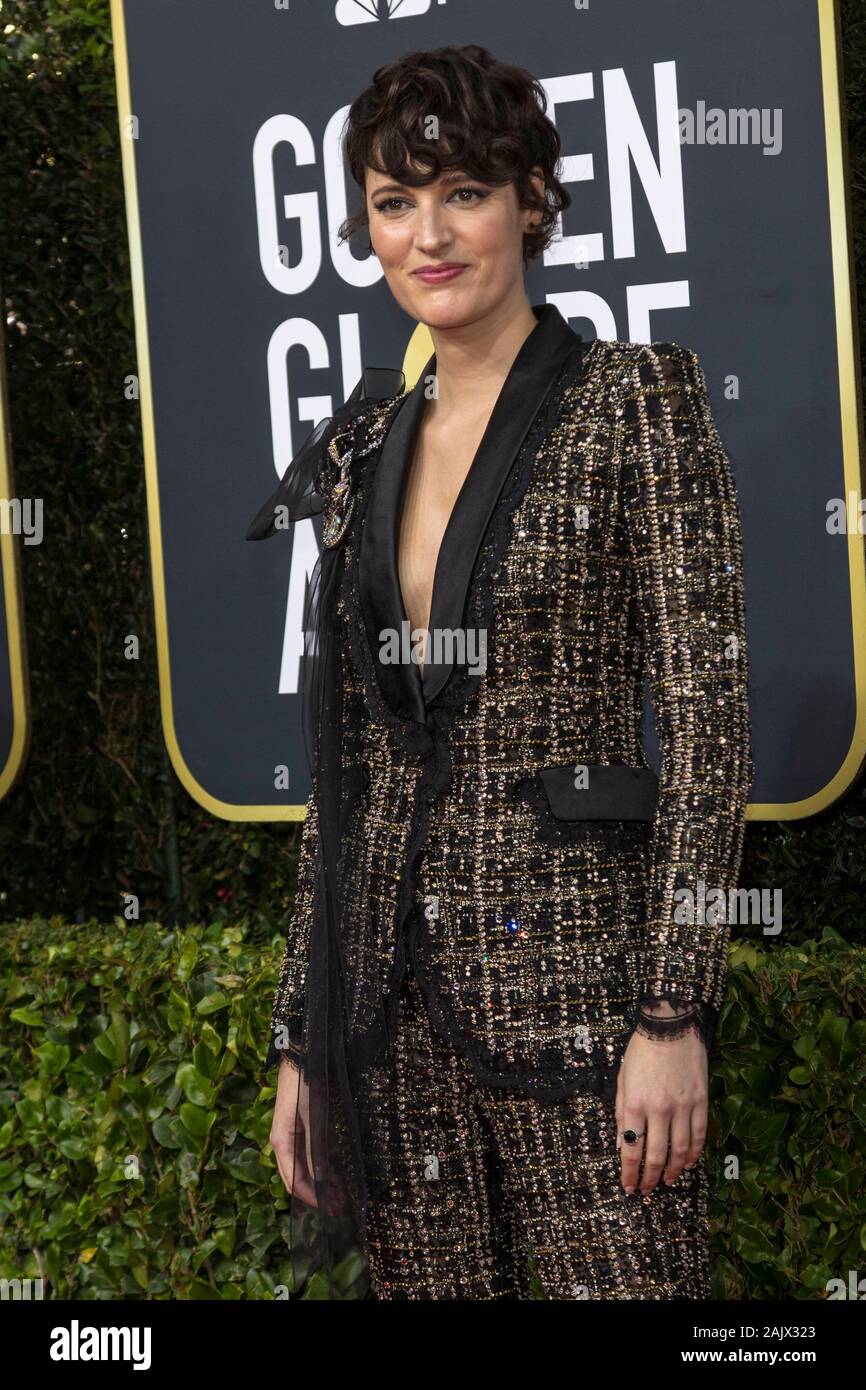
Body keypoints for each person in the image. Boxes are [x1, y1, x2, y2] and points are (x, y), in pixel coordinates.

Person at [247, 43, 754, 1300]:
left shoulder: (633, 400)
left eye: (462, 190)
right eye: (392, 200)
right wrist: (302, 1035)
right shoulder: (360, 443)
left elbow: (707, 720)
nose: (428, 234)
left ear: (531, 198)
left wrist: (671, 1014)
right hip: (388, 1015)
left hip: (584, 1003)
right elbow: (346, 761)